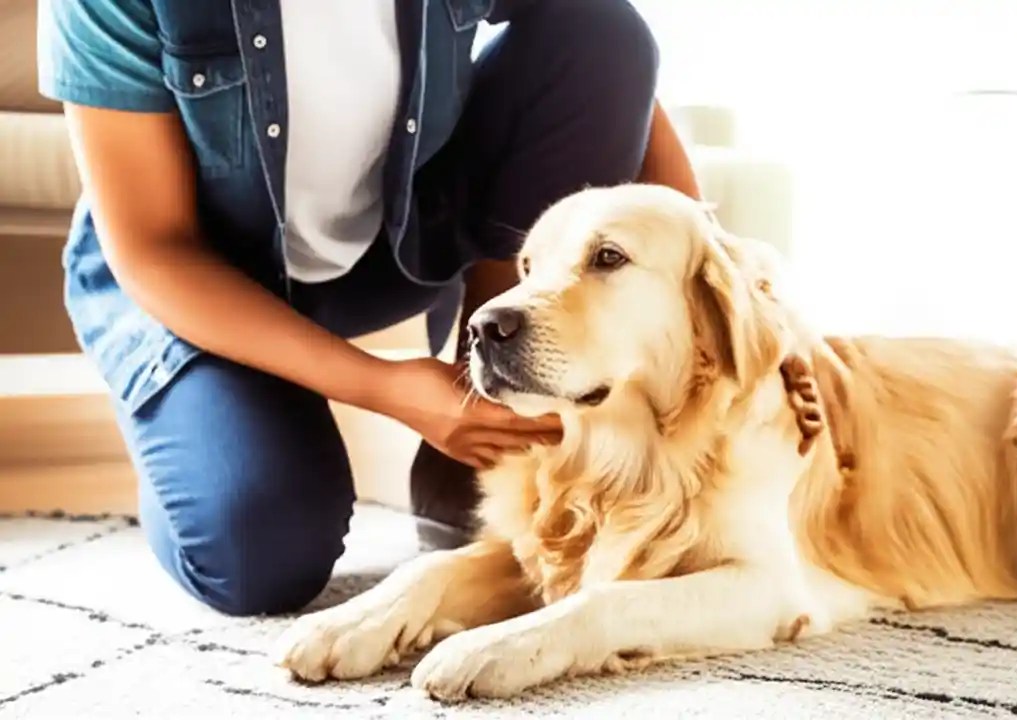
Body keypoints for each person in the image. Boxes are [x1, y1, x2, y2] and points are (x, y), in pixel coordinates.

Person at [38, 0, 700, 617]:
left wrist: (721, 299)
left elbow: (607, 61)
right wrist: (384, 387)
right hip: (205, 278)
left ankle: (482, 430)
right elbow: (156, 249)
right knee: (257, 554)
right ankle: (202, 423)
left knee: (600, 26)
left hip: (396, 242)